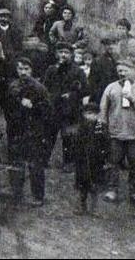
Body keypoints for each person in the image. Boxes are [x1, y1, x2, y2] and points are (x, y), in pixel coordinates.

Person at [99, 60, 135, 206]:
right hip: (116, 133)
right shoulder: (111, 88)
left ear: (133, 71)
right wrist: (103, 127)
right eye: (119, 71)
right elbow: (103, 110)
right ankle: (112, 190)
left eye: (125, 70)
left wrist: (132, 99)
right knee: (113, 162)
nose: (122, 73)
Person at [3, 57, 52, 206]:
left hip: (33, 131)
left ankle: (38, 196)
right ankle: (16, 193)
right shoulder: (12, 86)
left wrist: (33, 106)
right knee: (16, 163)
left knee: (35, 164)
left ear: (31, 70)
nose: (23, 72)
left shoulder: (39, 88)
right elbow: (7, 108)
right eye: (20, 69)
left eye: (26, 69)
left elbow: (48, 111)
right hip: (16, 130)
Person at [43, 42, 87, 172]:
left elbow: (86, 89)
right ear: (57, 54)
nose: (63, 55)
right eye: (61, 52)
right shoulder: (51, 69)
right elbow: (45, 87)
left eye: (66, 53)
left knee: (69, 137)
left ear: (71, 55)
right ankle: (43, 160)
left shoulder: (77, 71)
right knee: (49, 134)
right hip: (54, 108)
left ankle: (69, 163)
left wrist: (72, 95)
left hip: (70, 109)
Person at [74, 102, 109, 215]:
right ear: (84, 114)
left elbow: (106, 143)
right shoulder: (81, 128)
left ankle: (95, 208)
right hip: (83, 161)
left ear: (98, 115)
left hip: (97, 161)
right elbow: (76, 144)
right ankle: (82, 206)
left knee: (95, 185)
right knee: (82, 185)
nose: (91, 116)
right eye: (88, 114)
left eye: (94, 114)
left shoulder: (101, 127)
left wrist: (105, 158)